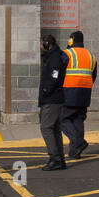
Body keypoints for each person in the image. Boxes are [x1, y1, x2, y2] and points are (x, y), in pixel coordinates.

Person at [60, 30, 97, 160]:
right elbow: (94, 76)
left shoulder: (67, 54)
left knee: (62, 119)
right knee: (78, 119)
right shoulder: (91, 56)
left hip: (69, 91)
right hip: (85, 93)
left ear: (71, 40)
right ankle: (75, 151)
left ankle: (78, 142)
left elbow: (59, 73)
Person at [38, 34, 68, 171]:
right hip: (53, 98)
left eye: (41, 43)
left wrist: (46, 90)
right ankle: (59, 159)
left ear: (46, 44)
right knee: (55, 129)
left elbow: (54, 76)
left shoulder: (54, 57)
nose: (40, 46)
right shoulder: (52, 56)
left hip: (52, 99)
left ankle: (55, 158)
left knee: (46, 128)